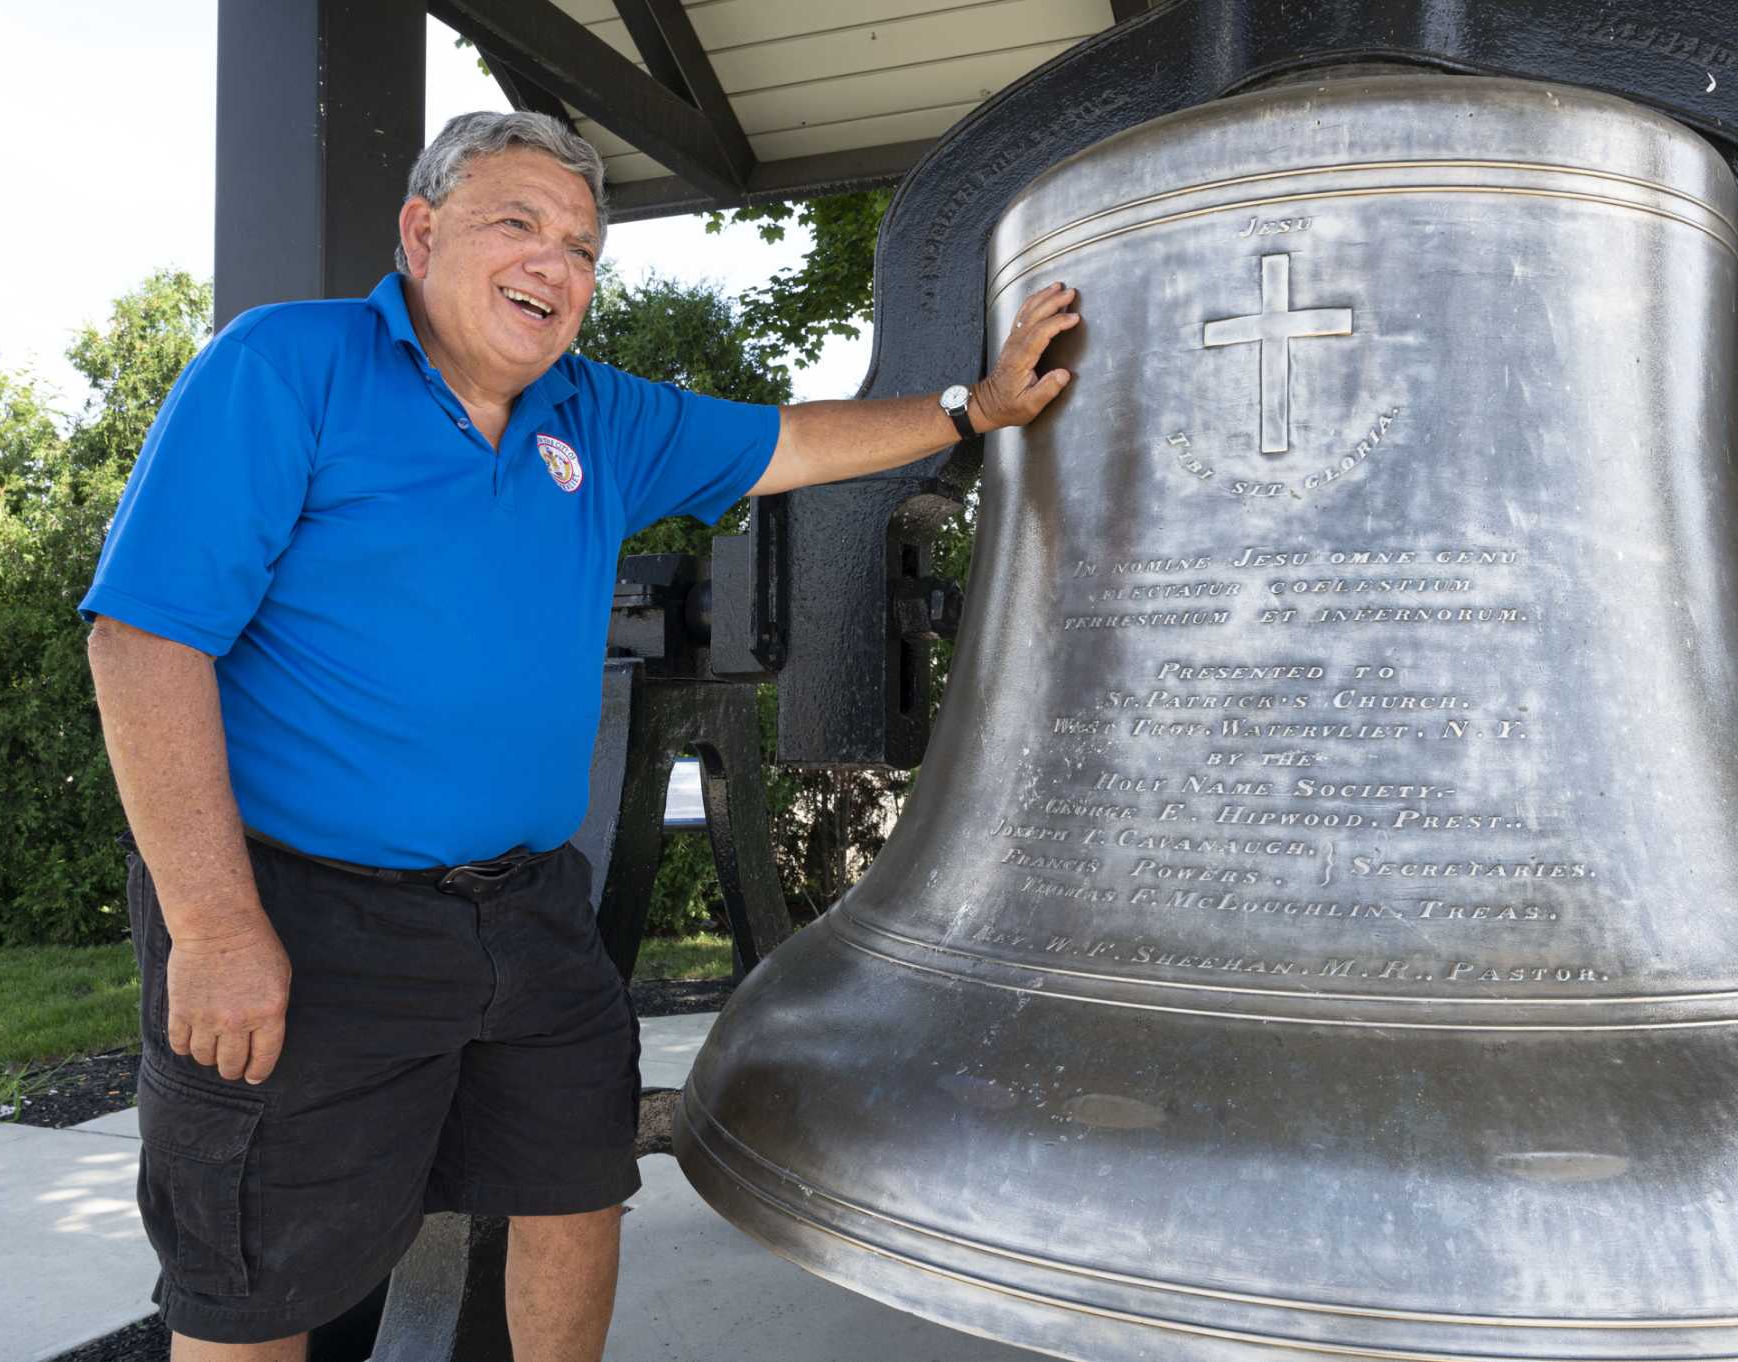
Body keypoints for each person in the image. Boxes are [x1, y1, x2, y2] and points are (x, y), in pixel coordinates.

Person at [81, 111, 1078, 1362]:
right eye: (520, 226)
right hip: (304, 912)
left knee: (574, 1188)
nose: (557, 266)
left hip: (529, 914)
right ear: (421, 232)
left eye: (584, 248)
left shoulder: (591, 416)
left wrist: (970, 408)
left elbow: (793, 441)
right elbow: (144, 642)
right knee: (261, 1278)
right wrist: (219, 931)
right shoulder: (287, 367)